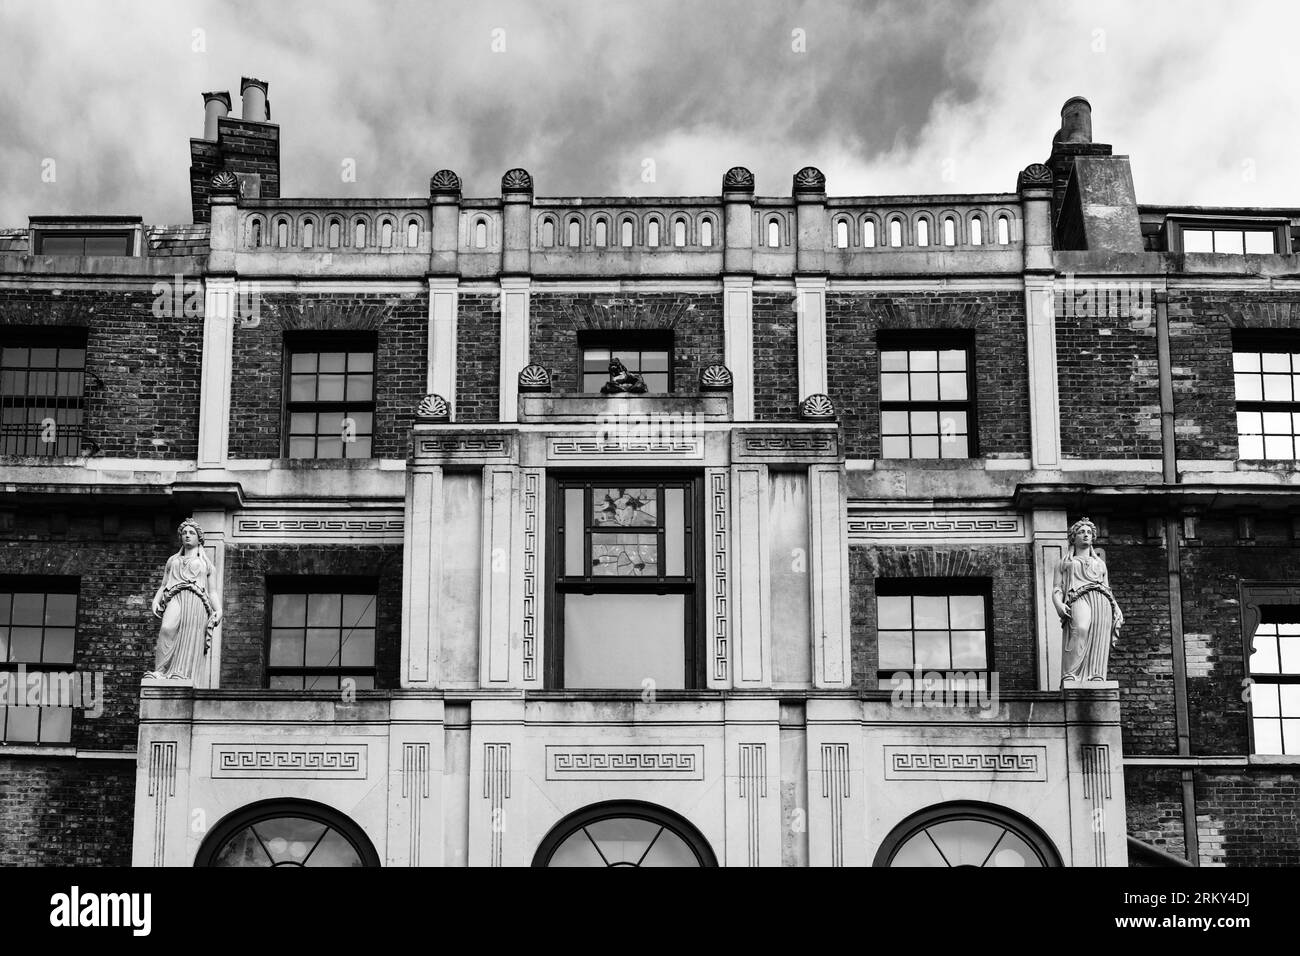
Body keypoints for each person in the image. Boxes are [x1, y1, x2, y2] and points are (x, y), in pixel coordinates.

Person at [146, 518, 221, 681]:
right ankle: (161, 671)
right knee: (167, 629)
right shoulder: (172, 560)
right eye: (184, 533)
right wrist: (155, 600)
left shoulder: (207, 565)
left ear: (199, 538)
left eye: (191, 533)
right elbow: (163, 584)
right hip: (175, 596)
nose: (187, 535)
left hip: (196, 600)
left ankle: (183, 672)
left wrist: (219, 610)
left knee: (189, 634)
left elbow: (213, 592)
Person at [1053, 517, 1123, 685]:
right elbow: (1057, 588)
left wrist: (1116, 608)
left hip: (1102, 600)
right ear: (1073, 537)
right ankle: (1070, 673)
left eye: (1089, 532)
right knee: (1081, 629)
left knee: (1099, 636)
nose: (1086, 535)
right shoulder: (1065, 562)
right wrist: (1058, 604)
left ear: (1093, 537)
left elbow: (1107, 588)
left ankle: (1096, 674)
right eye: (1081, 532)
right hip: (1078, 597)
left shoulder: (1100, 563)